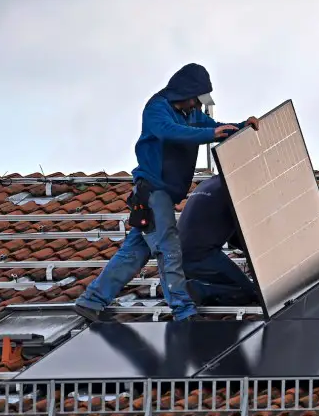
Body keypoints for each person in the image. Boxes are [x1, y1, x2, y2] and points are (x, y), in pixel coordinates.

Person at [74, 63, 259, 323]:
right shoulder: (157, 108)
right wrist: (209, 132)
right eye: (195, 99)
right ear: (184, 92)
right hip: (152, 193)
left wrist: (240, 127)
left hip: (164, 197)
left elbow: (215, 127)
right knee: (170, 250)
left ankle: (91, 301)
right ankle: (184, 312)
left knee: (133, 254)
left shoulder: (191, 114)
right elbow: (169, 132)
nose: (197, 105)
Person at [178, 174, 260, 306]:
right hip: (202, 255)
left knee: (231, 284)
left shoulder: (207, 184)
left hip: (179, 253)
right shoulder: (233, 189)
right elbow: (240, 233)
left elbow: (232, 236)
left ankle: (194, 290)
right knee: (251, 293)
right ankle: (198, 291)